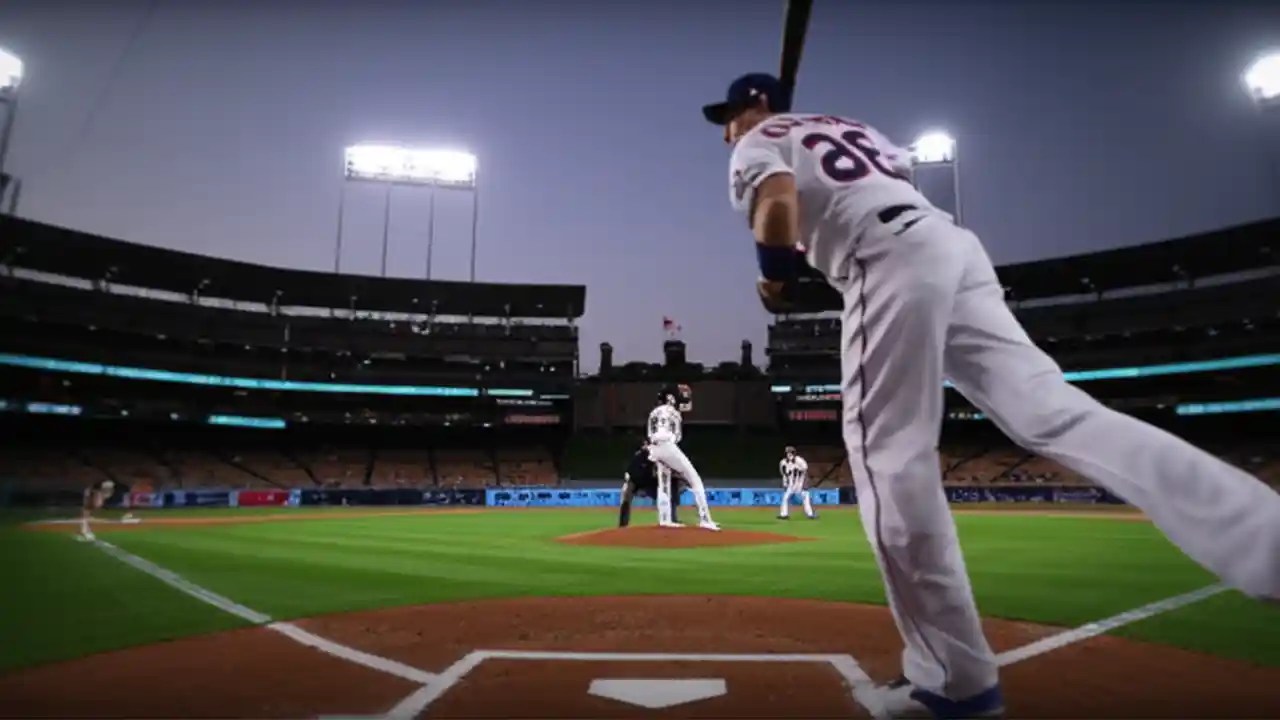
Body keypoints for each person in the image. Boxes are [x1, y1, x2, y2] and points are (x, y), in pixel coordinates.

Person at [701, 71, 1280, 718]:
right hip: (951, 247)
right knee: (1058, 413)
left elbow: (777, 208)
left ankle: (955, 685)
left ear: (756, 106)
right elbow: (880, 184)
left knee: (889, 456)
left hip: (882, 256)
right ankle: (1265, 539)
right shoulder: (854, 128)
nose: (726, 130)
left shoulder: (756, 143)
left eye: (730, 115)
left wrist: (775, 280)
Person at [646, 384, 720, 531]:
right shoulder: (674, 412)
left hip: (654, 447)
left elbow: (649, 433)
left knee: (664, 484)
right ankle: (705, 519)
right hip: (667, 445)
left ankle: (664, 519)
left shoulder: (654, 412)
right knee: (695, 480)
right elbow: (677, 436)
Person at [618, 438, 681, 527]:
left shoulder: (659, 457)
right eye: (644, 445)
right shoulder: (639, 457)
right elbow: (630, 473)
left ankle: (671, 519)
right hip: (637, 482)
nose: (646, 447)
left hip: (652, 483)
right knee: (626, 493)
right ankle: (623, 524)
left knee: (669, 494)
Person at [778, 445, 816, 520]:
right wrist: (785, 484)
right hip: (791, 484)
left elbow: (805, 471)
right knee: (785, 498)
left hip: (800, 483)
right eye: (787, 452)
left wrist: (805, 483)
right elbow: (784, 474)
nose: (789, 454)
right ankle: (784, 514)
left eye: (791, 452)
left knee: (805, 498)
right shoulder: (782, 463)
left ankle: (810, 514)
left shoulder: (800, 460)